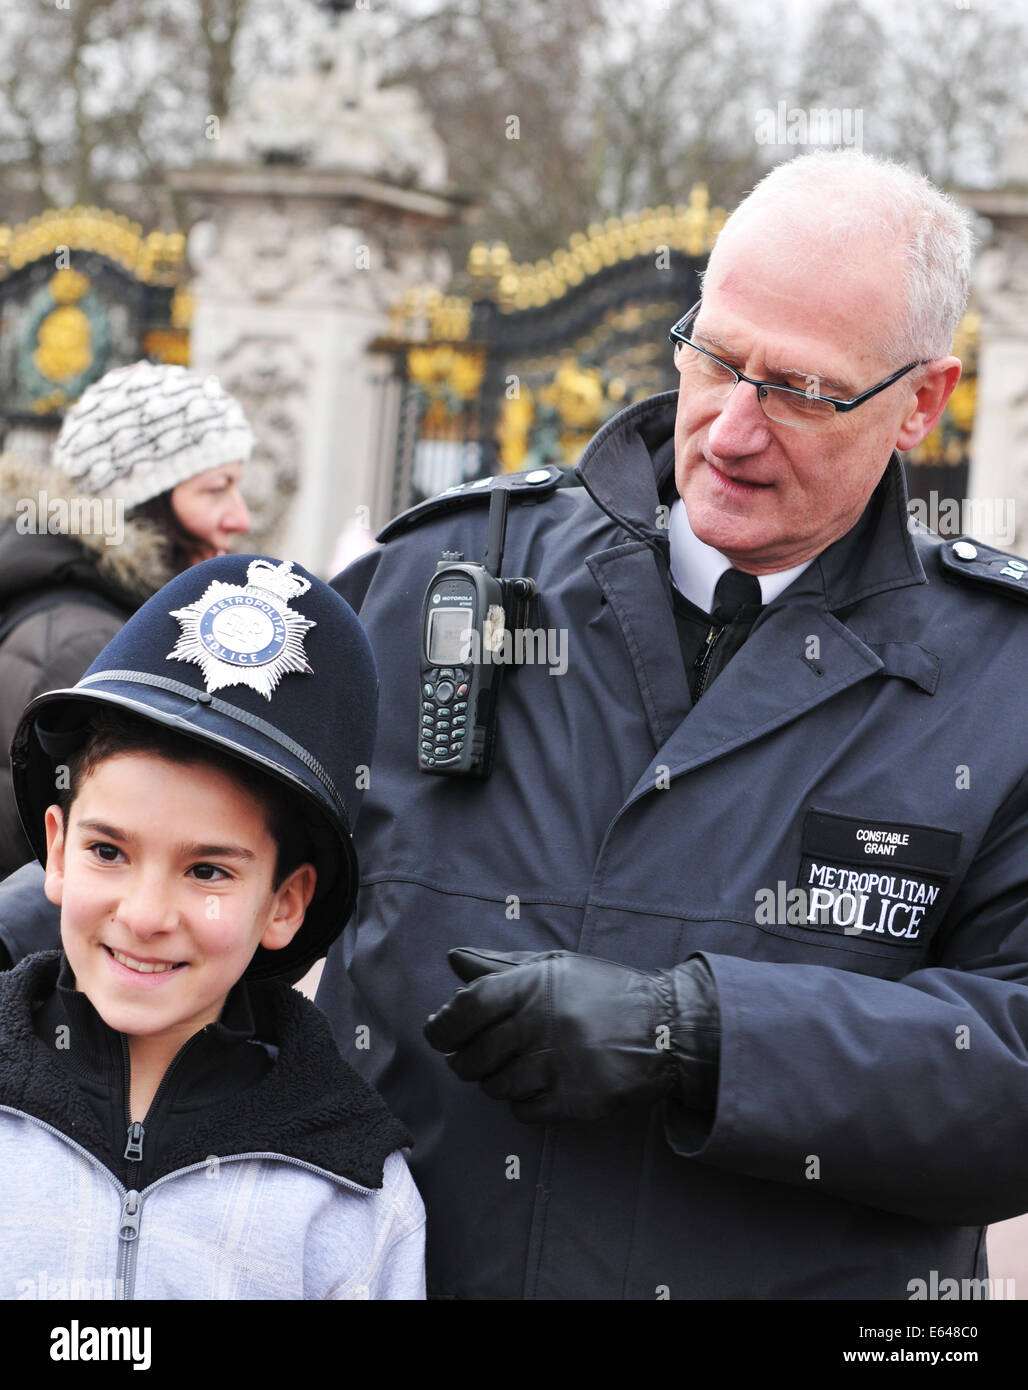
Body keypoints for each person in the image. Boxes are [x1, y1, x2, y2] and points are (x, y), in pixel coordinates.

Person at [309, 150, 1028, 1299]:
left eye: (797, 390)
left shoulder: (1003, 684)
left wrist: (698, 1033)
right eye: (713, 358)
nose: (730, 431)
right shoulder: (429, 581)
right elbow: (180, 858)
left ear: (922, 402)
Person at [0, 554, 425, 1300]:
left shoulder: (348, 1190)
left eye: (207, 872)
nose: (144, 915)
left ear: (285, 904)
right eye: (109, 852)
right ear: (58, 850)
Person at [0, 360, 253, 877]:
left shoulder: (74, 606)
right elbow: (72, 876)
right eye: (216, 488)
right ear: (143, 501)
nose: (240, 517)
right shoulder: (92, 648)